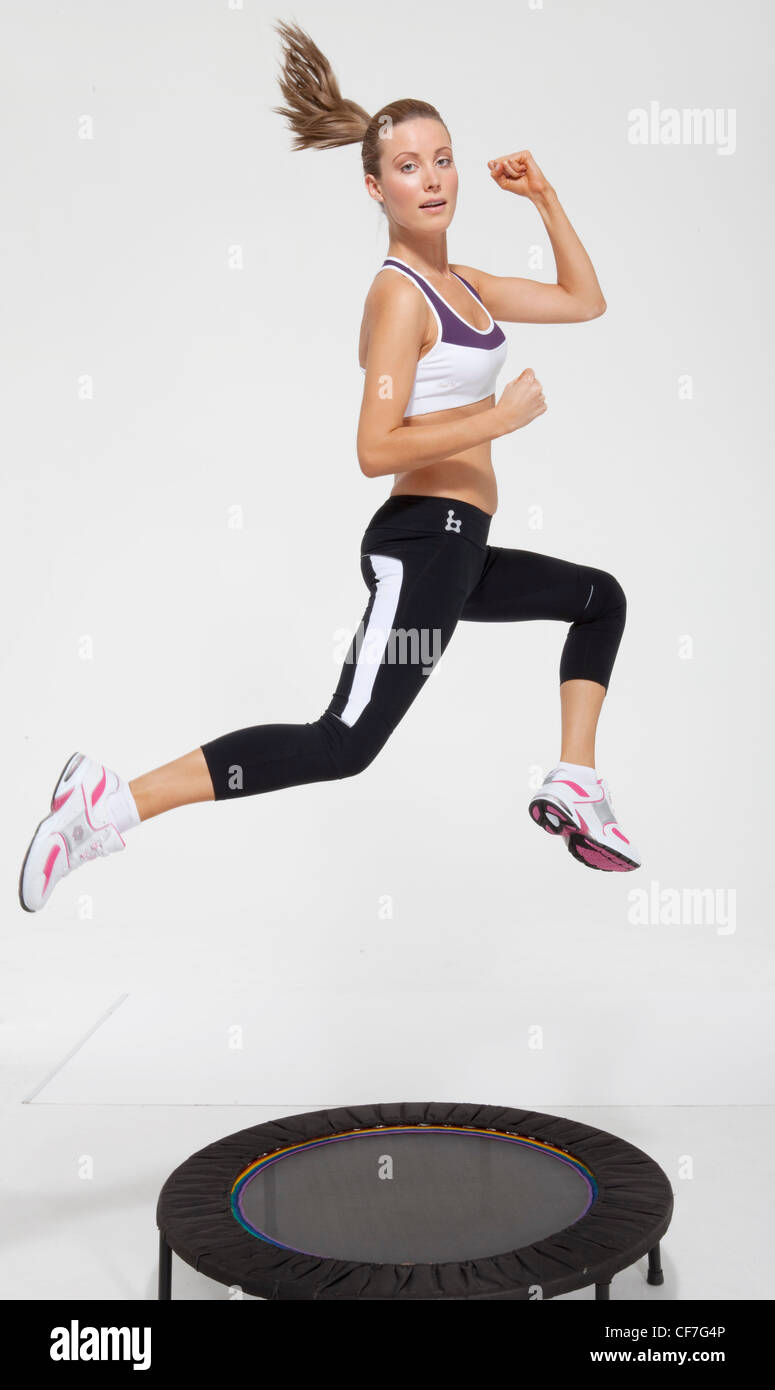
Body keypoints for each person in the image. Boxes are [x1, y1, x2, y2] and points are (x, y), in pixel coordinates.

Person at [19, 21, 640, 914]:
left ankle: (575, 781)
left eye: (444, 159)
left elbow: (585, 300)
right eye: (408, 167)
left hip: (463, 553)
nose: (431, 180)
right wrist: (493, 415)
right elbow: (372, 448)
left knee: (598, 598)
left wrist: (542, 197)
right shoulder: (397, 295)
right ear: (374, 186)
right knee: (341, 742)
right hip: (421, 544)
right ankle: (109, 803)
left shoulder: (462, 282)